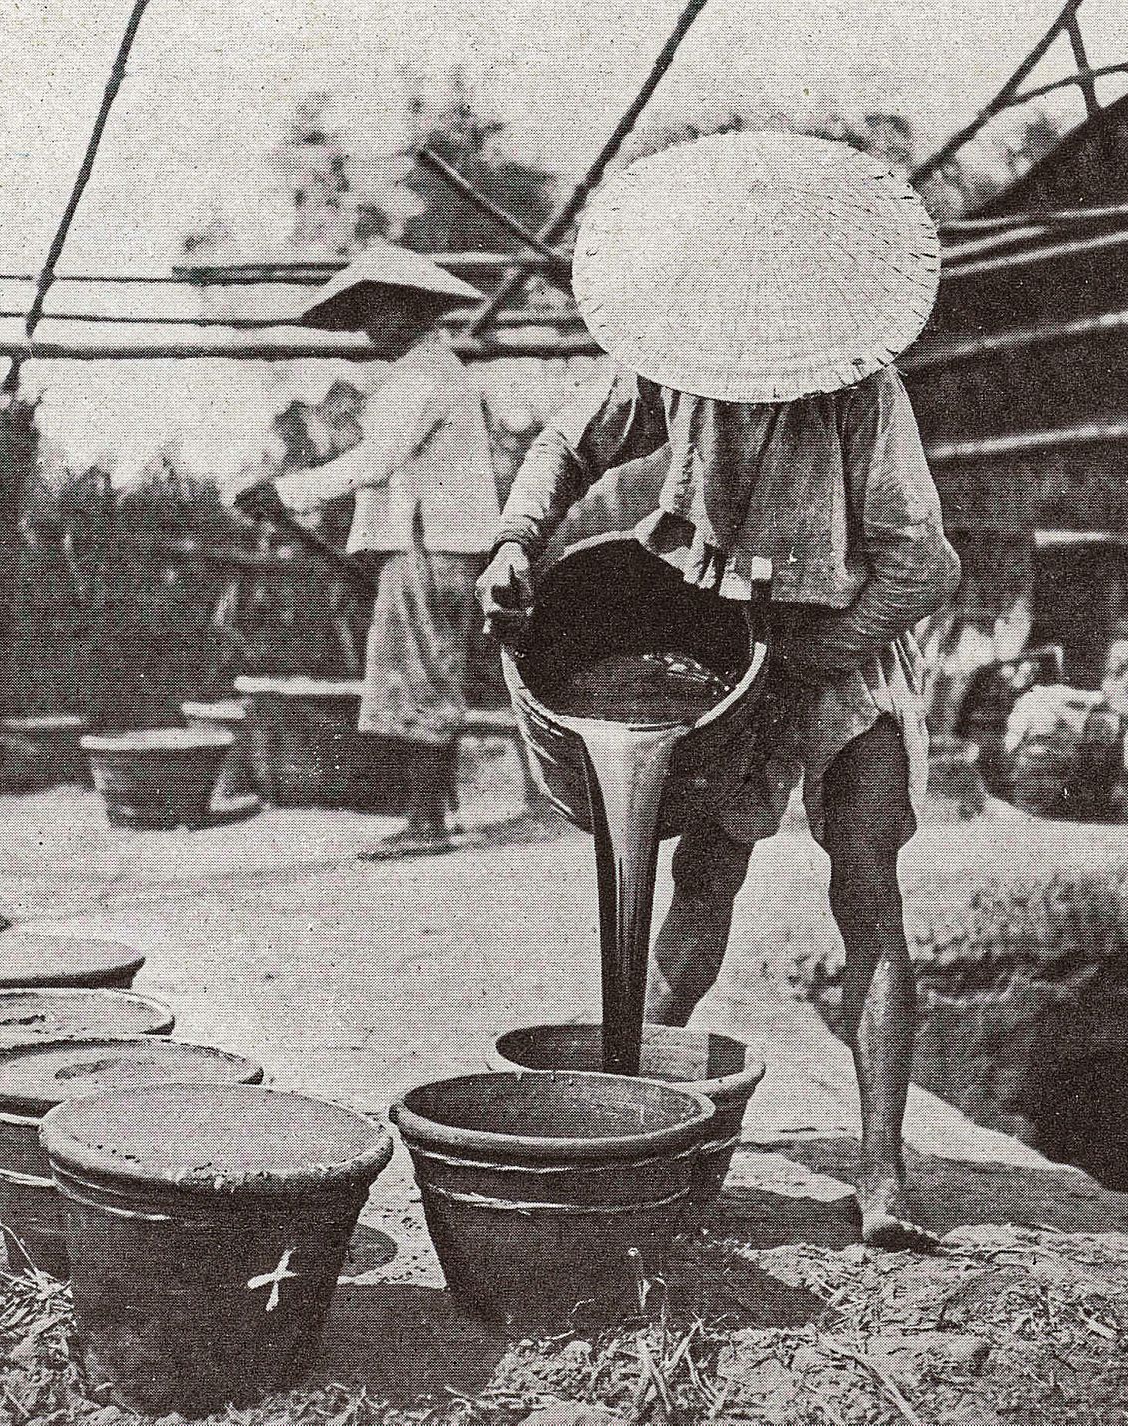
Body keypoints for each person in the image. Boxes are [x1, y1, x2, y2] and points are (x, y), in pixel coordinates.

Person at [478, 132, 960, 1247]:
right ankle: (629, 1119)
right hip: (722, 645)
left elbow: (922, 562)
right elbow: (566, 440)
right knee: (701, 884)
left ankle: (881, 1175)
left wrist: (824, 651)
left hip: (847, 645)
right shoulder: (672, 363)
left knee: (866, 887)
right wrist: (514, 537)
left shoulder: (857, 392)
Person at [237, 242, 504, 858]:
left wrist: (286, 491)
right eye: (364, 313)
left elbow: (377, 462)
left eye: (380, 311)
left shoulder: (427, 376)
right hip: (422, 542)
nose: (370, 326)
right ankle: (430, 815)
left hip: (433, 545)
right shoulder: (421, 373)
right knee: (418, 676)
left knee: (424, 679)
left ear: (413, 310)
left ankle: (428, 823)